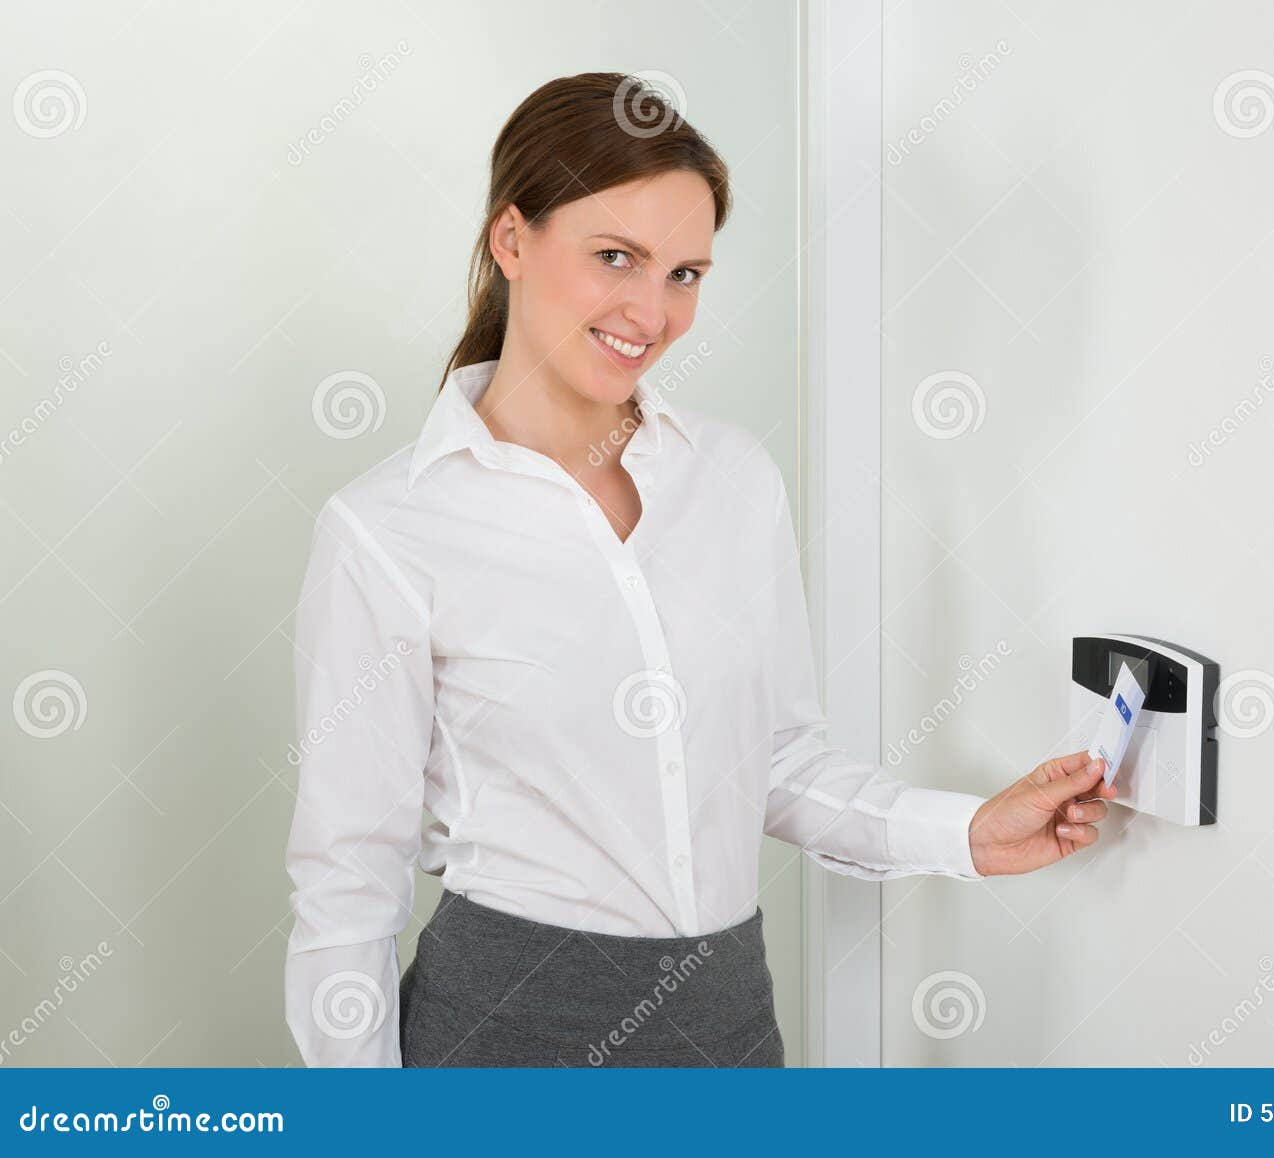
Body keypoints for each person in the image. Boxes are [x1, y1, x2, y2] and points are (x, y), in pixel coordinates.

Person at [282, 72, 1117, 1068]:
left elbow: (776, 764)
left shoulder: (732, 480)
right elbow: (348, 880)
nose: (653, 310)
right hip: (504, 1036)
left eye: (685, 273)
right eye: (615, 258)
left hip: (725, 1024)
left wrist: (970, 832)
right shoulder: (388, 531)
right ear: (512, 241)